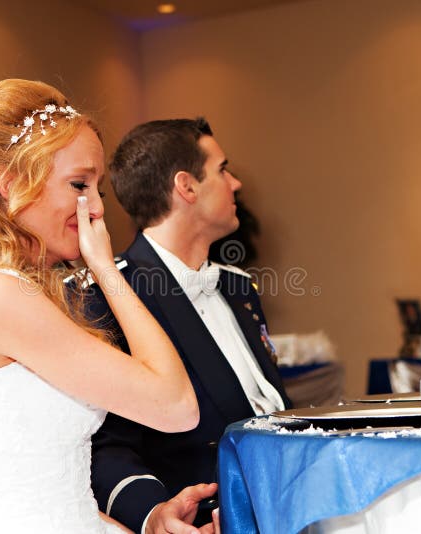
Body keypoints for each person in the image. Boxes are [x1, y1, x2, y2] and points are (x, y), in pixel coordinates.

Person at [0, 79, 218, 533]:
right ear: (11, 184)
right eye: (80, 184)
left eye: (98, 188)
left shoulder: (22, 292)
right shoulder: (1, 298)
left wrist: (149, 524)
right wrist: (106, 269)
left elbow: (47, 490)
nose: (97, 208)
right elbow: (177, 406)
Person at [88, 119, 292, 532]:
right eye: (222, 170)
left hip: (283, 503)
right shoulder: (112, 295)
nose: (235, 183)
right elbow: (106, 444)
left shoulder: (238, 286)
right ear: (187, 186)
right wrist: (153, 514)